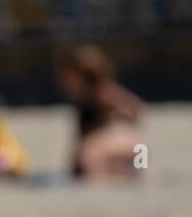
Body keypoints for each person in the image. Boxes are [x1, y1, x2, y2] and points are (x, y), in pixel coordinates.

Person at [57, 45, 144, 180]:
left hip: (119, 144)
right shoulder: (85, 95)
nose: (62, 79)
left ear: (79, 73)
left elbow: (135, 108)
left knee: (87, 162)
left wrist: (116, 123)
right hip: (133, 148)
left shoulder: (99, 93)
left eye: (66, 73)